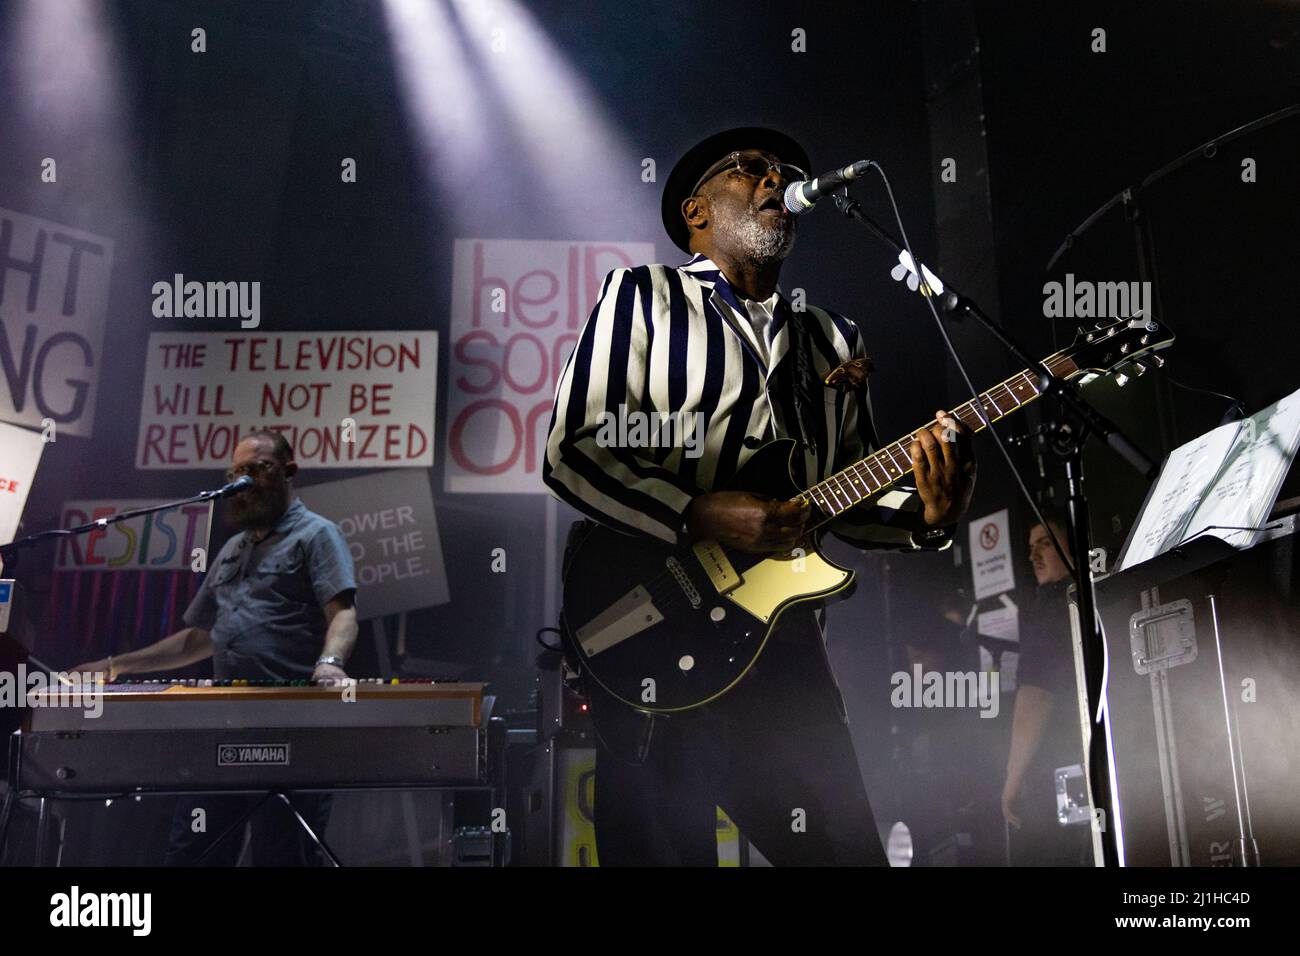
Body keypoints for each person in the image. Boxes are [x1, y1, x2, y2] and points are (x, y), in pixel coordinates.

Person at [543, 127, 976, 865]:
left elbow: (852, 495)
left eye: (786, 174)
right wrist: (697, 511)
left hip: (782, 654)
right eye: (752, 171)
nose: (776, 182)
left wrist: (930, 517)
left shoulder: (833, 339)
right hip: (660, 628)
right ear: (696, 212)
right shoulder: (644, 295)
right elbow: (573, 453)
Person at [75, 429, 358, 865]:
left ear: (289, 472)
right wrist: (115, 664)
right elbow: (199, 637)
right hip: (225, 725)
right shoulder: (231, 549)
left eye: (256, 469)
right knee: (195, 851)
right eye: (235, 472)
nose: (242, 481)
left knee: (282, 854)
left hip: (293, 727)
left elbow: (342, 613)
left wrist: (330, 662)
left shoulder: (317, 535)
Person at [1001, 515, 1092, 865]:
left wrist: (1012, 779)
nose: (1034, 556)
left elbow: (1035, 699)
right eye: (1030, 549)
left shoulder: (1055, 608)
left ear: (1075, 545)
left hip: (1058, 780)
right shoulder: (1087, 598)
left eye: (1046, 544)